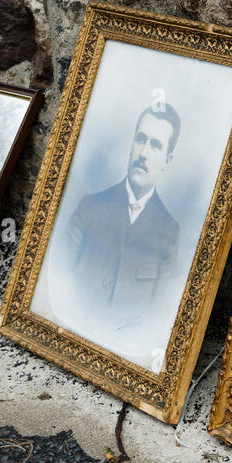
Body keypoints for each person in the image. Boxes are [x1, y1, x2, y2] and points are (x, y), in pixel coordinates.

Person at [62, 102, 181, 318]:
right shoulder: (89, 208)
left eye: (155, 145)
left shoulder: (170, 232)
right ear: (132, 143)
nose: (143, 153)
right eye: (141, 139)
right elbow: (61, 280)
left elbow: (157, 314)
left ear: (167, 161)